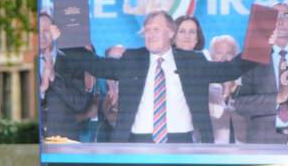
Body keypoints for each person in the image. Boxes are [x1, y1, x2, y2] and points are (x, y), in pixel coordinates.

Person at [56, 10, 260, 144]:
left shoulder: (192, 62)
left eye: (156, 29)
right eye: (147, 30)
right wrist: (66, 40)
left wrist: (261, 41)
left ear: (171, 32)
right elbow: (95, 64)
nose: (150, 35)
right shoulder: (131, 60)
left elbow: (230, 70)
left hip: (181, 143)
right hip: (137, 143)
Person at [232, 2, 288, 145]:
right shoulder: (250, 59)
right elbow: (240, 104)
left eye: (286, 16)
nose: (280, 21)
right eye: (274, 16)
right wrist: (277, 98)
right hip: (262, 141)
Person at [37, 12, 95, 139]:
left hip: (64, 142)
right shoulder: (28, 65)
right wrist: (42, 90)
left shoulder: (71, 61)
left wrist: (54, 78)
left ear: (55, 32)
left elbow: (80, 103)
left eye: (46, 30)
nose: (41, 36)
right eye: (37, 30)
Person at [207, 35, 247, 144]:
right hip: (213, 150)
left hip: (244, 150)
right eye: (219, 53)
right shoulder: (205, 86)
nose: (224, 58)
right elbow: (216, 114)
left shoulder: (246, 84)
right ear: (211, 57)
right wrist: (225, 89)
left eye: (229, 53)